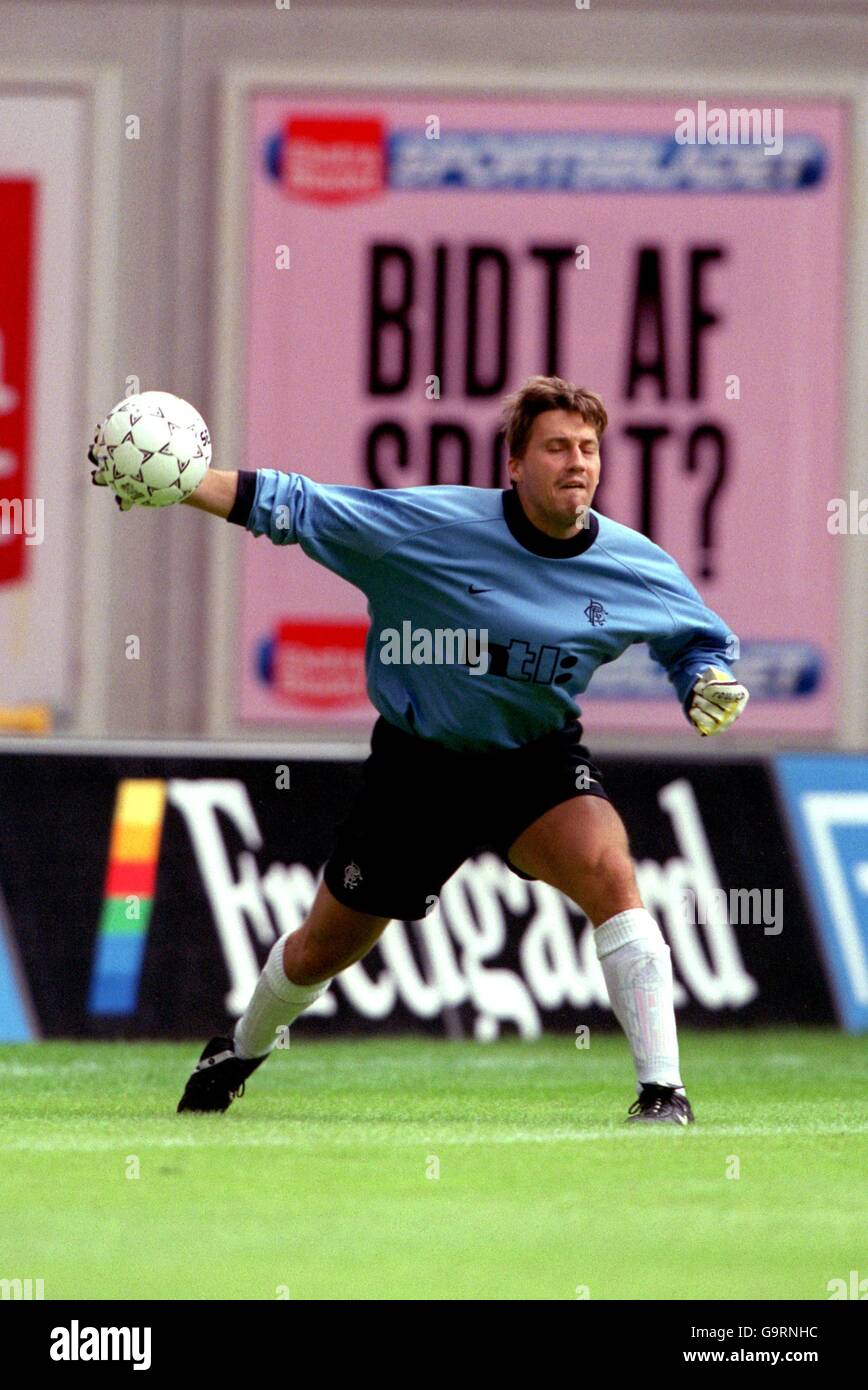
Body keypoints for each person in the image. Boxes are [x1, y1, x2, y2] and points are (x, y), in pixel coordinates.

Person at [91, 375, 749, 1124]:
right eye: (557, 447)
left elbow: (699, 641)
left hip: (532, 761)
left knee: (610, 874)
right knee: (319, 951)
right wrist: (178, 483)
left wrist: (707, 680)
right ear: (514, 463)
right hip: (418, 769)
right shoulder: (432, 527)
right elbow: (294, 506)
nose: (577, 463)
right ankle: (237, 1051)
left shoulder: (635, 565)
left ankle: (664, 1094)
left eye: (590, 449)